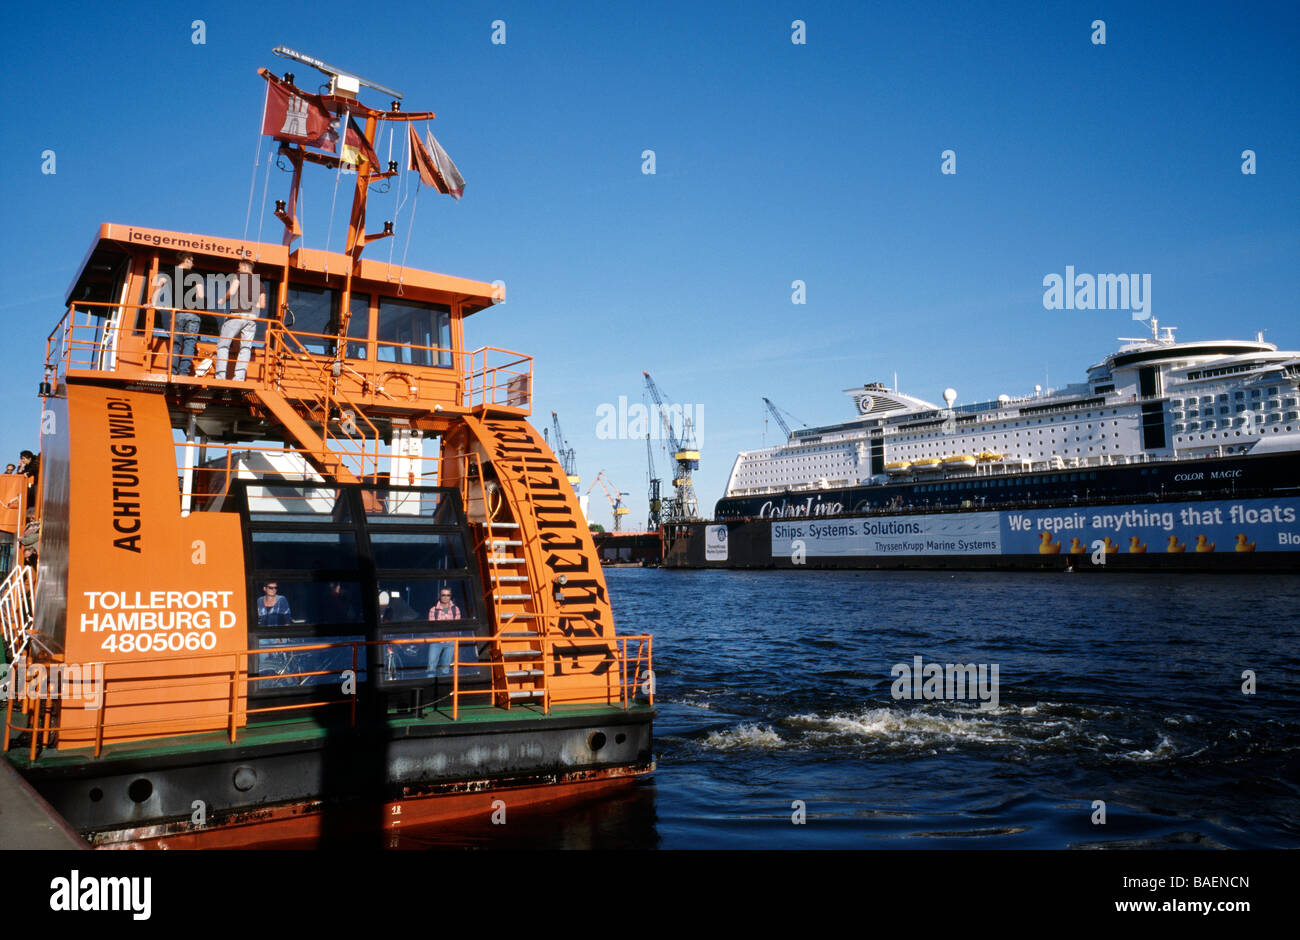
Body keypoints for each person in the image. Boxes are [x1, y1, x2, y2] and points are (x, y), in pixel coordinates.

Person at [215, 259, 266, 382]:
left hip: (237, 315)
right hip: (252, 318)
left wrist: (222, 300)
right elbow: (262, 305)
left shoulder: (239, 276)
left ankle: (220, 377)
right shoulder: (260, 284)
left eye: (239, 267)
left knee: (223, 345)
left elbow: (232, 291)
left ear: (244, 267)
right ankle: (239, 378)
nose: (237, 269)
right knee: (245, 348)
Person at [163, 252, 203, 376]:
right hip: (192, 313)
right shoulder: (196, 276)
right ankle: (183, 373)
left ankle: (171, 372)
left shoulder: (168, 274)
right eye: (192, 260)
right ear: (187, 260)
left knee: (175, 344)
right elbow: (200, 296)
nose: (193, 263)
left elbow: (158, 285)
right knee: (190, 343)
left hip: (178, 313)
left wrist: (152, 302)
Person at [426, 587, 464, 678]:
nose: (446, 597)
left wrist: (444, 630)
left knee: (446, 669)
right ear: (439, 596)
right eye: (443, 595)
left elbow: (457, 627)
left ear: (450, 596)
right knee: (431, 668)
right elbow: (432, 628)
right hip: (436, 642)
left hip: (450, 642)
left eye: (448, 595)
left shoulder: (456, 609)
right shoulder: (433, 610)